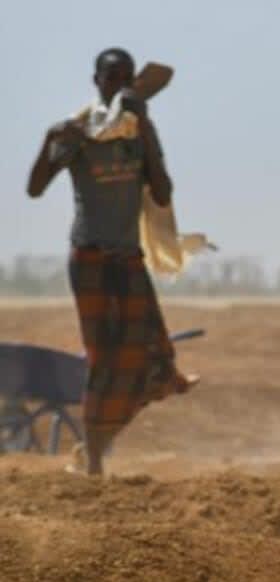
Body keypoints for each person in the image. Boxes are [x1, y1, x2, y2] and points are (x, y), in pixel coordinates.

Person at [26, 47, 196, 476]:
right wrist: (52, 139)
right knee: (104, 359)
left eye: (125, 79)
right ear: (96, 82)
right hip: (91, 259)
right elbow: (34, 188)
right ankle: (96, 459)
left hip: (128, 259)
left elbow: (161, 193)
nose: (117, 85)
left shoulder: (137, 136)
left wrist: (148, 128)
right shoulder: (80, 134)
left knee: (151, 357)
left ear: (132, 84)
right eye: (110, 78)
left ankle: (96, 444)